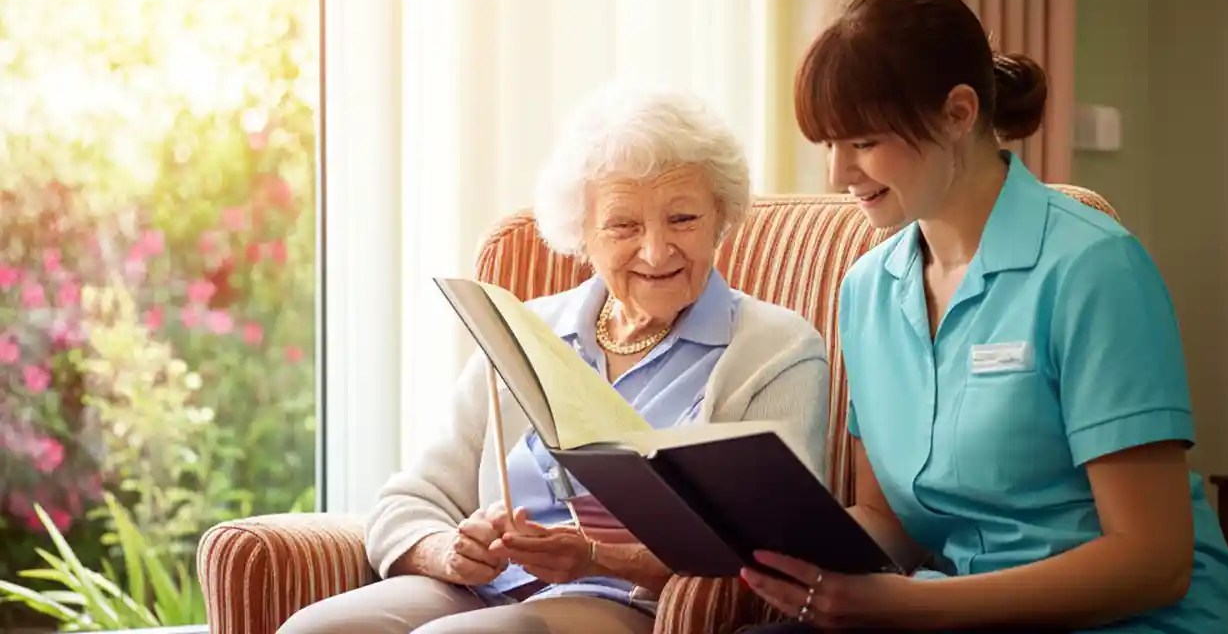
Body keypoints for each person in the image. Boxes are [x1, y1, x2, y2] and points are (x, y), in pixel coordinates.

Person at [738, 0, 1228, 632]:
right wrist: (764, 545)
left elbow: (1152, 561)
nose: (839, 174)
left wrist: (912, 605)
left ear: (957, 113)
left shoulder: (1094, 268)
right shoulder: (866, 290)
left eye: (862, 142)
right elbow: (885, 521)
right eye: (828, 146)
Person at [278, 85, 831, 634]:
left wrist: (596, 557)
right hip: (479, 589)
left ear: (721, 218)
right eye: (624, 225)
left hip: (624, 603)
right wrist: (449, 551)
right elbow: (411, 498)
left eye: (683, 219)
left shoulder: (773, 350)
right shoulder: (526, 331)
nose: (657, 251)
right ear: (581, 234)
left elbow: (769, 549)